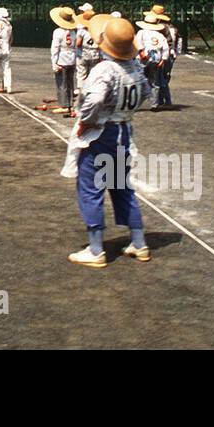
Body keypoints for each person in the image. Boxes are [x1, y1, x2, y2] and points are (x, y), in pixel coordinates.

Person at [62, 15, 152, 268]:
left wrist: (86, 120)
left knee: (91, 187)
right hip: (124, 130)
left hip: (103, 133)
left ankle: (96, 249)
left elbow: (95, 99)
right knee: (122, 186)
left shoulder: (104, 70)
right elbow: (146, 93)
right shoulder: (135, 68)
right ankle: (138, 242)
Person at [134, 12, 170, 110]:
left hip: (143, 59)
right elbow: (166, 48)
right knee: (154, 82)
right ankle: (154, 104)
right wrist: (163, 59)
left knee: (139, 80)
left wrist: (141, 52)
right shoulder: (159, 35)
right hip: (156, 59)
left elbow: (137, 42)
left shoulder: (141, 32)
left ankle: (136, 104)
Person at [49, 6, 78, 114]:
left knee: (61, 83)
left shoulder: (58, 32)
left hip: (62, 59)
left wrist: (54, 63)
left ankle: (64, 105)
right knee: (70, 83)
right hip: (71, 60)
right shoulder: (74, 32)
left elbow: (55, 48)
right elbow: (75, 47)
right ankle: (70, 104)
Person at [72, 8, 101, 111]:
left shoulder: (82, 30)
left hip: (83, 54)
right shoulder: (97, 29)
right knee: (93, 76)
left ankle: (81, 100)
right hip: (95, 54)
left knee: (81, 76)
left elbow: (78, 43)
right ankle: (92, 100)